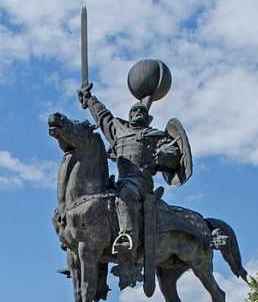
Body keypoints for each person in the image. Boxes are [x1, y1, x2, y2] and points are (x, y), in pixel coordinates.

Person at [77, 83, 190, 256]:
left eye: (141, 111)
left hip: (140, 183)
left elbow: (174, 154)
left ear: (148, 118)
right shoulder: (119, 130)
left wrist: (164, 155)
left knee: (126, 194)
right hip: (120, 181)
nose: (137, 113)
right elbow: (103, 116)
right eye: (134, 111)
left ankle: (128, 237)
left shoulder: (155, 136)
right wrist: (89, 98)